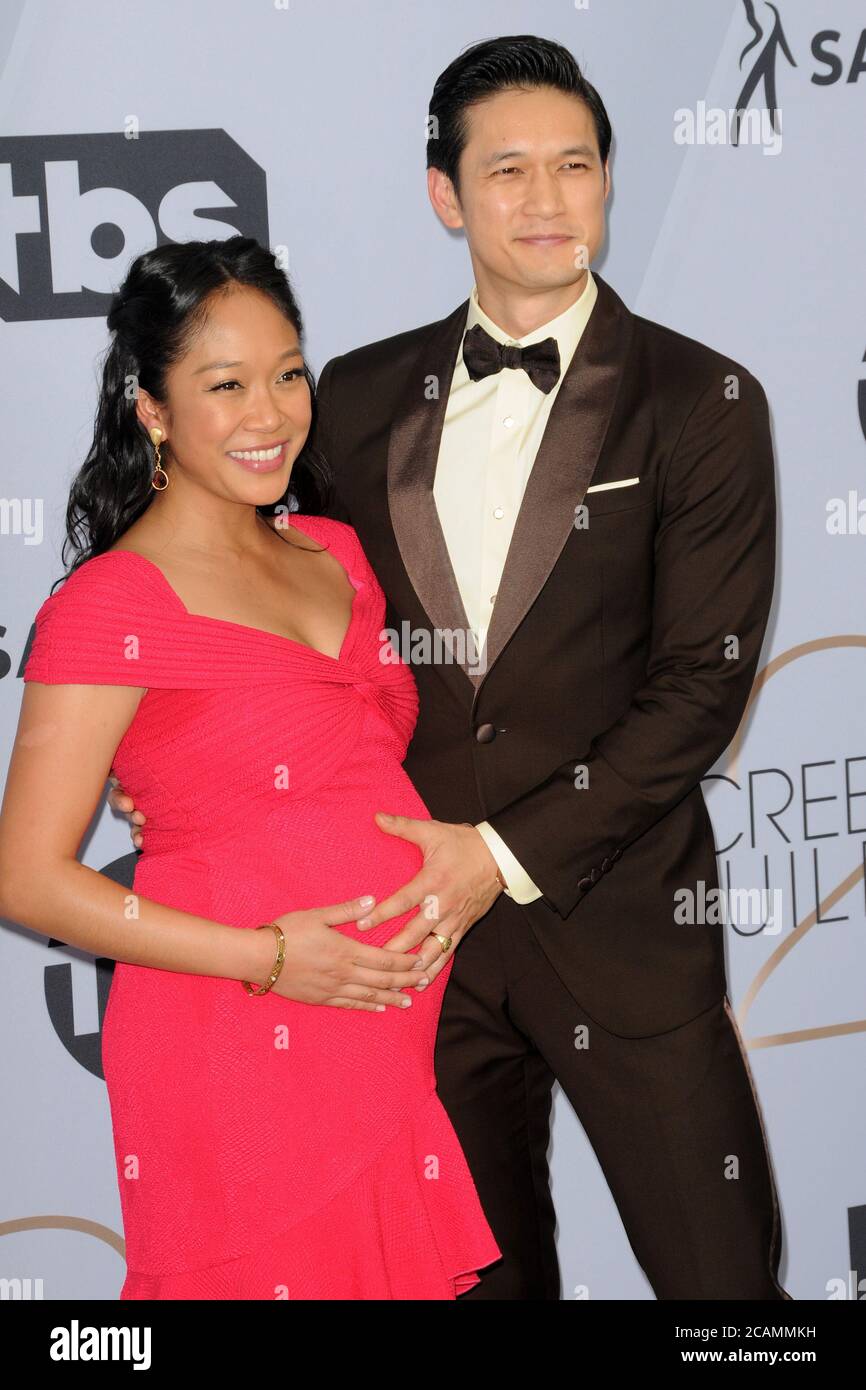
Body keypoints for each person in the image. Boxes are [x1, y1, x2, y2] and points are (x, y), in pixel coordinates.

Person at [84, 35, 792, 1299]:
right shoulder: (345, 400)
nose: (544, 199)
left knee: (726, 1298)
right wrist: (159, 756)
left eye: (574, 165)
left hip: (620, 925)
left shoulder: (702, 401)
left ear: (608, 183)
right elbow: (243, 592)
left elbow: (699, 691)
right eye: (506, 169)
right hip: (402, 958)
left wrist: (497, 855)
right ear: (443, 195)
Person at [0, 236, 502, 1300]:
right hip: (231, 1040)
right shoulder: (111, 606)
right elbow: (26, 878)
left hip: (384, 1049)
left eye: (286, 372)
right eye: (224, 385)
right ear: (151, 407)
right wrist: (265, 956)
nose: (269, 413)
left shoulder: (338, 550)